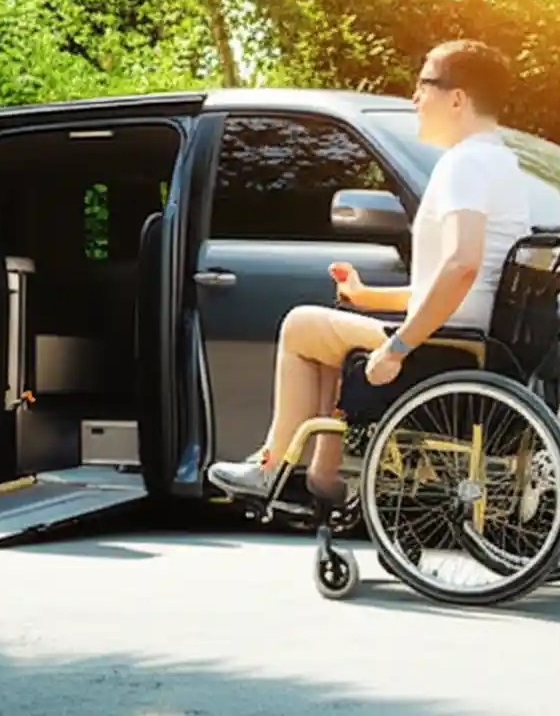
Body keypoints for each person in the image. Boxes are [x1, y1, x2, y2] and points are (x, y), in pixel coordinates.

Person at [207, 38, 532, 504]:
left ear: (457, 99)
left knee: (300, 325)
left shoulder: (464, 165)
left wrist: (398, 348)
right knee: (325, 341)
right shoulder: (497, 160)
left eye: (424, 85)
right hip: (463, 331)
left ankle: (270, 464)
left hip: (445, 342)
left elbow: (463, 265)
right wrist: (368, 297)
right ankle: (320, 475)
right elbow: (457, 283)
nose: (415, 99)